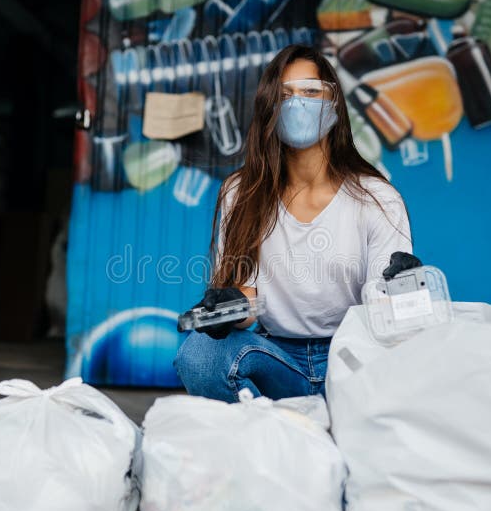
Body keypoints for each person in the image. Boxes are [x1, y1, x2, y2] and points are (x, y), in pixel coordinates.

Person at [174, 44, 415, 403]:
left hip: (352, 357)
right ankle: (270, 438)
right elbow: (249, 300)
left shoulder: (376, 197)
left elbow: (383, 311)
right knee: (200, 356)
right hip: (277, 359)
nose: (298, 103)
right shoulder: (241, 193)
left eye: (311, 92)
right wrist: (228, 308)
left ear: (334, 104)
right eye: (284, 94)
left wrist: (402, 287)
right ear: (269, 107)